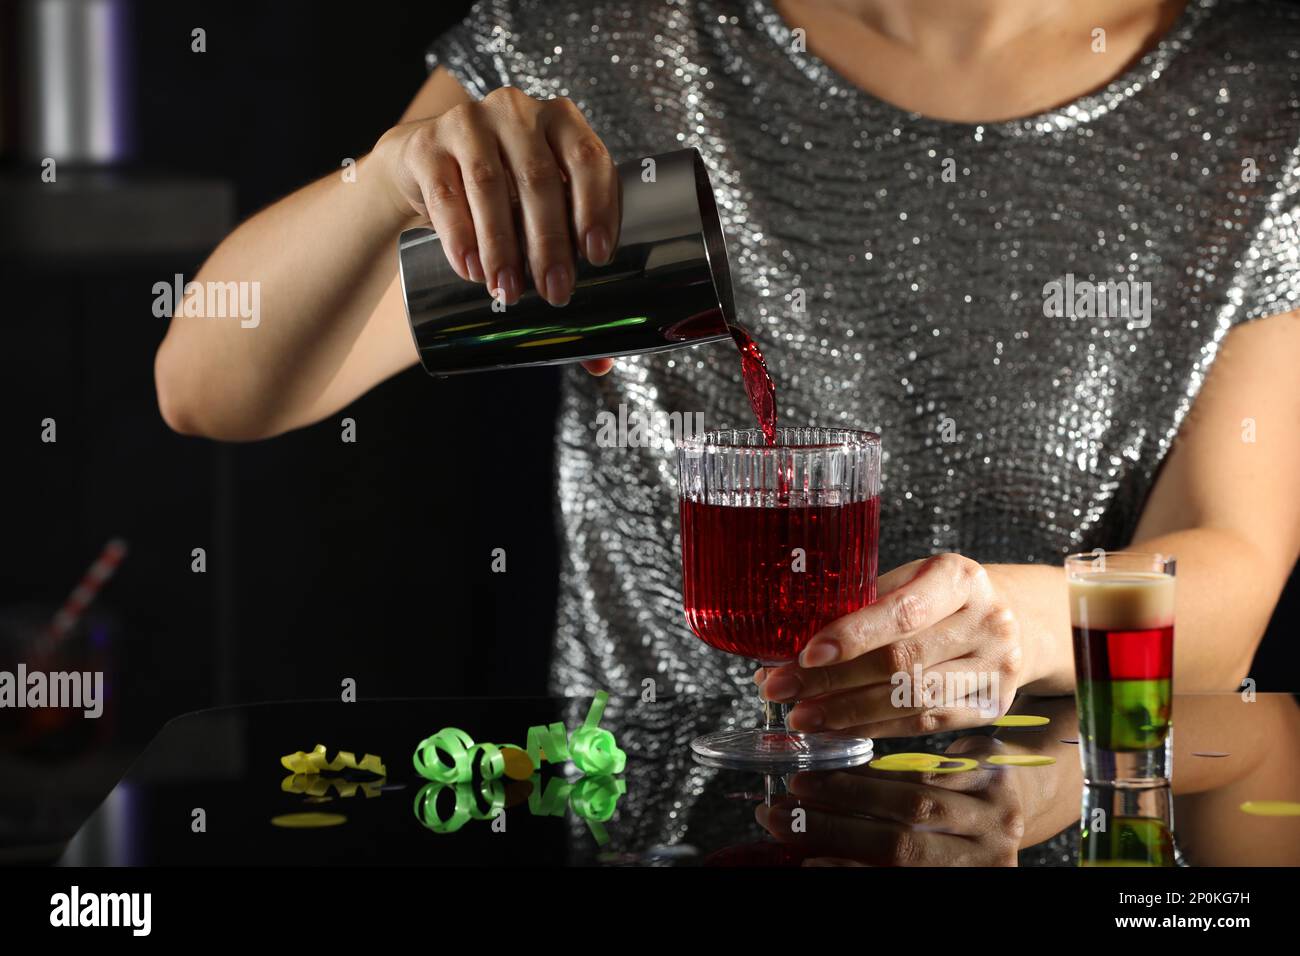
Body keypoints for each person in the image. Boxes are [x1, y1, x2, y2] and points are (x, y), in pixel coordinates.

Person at [155, 0, 1300, 737]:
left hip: (1036, 823)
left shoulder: (1257, 96)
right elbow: (212, 384)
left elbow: (1230, 574)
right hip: (643, 818)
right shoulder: (611, 54)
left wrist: (1020, 625)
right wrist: (391, 182)